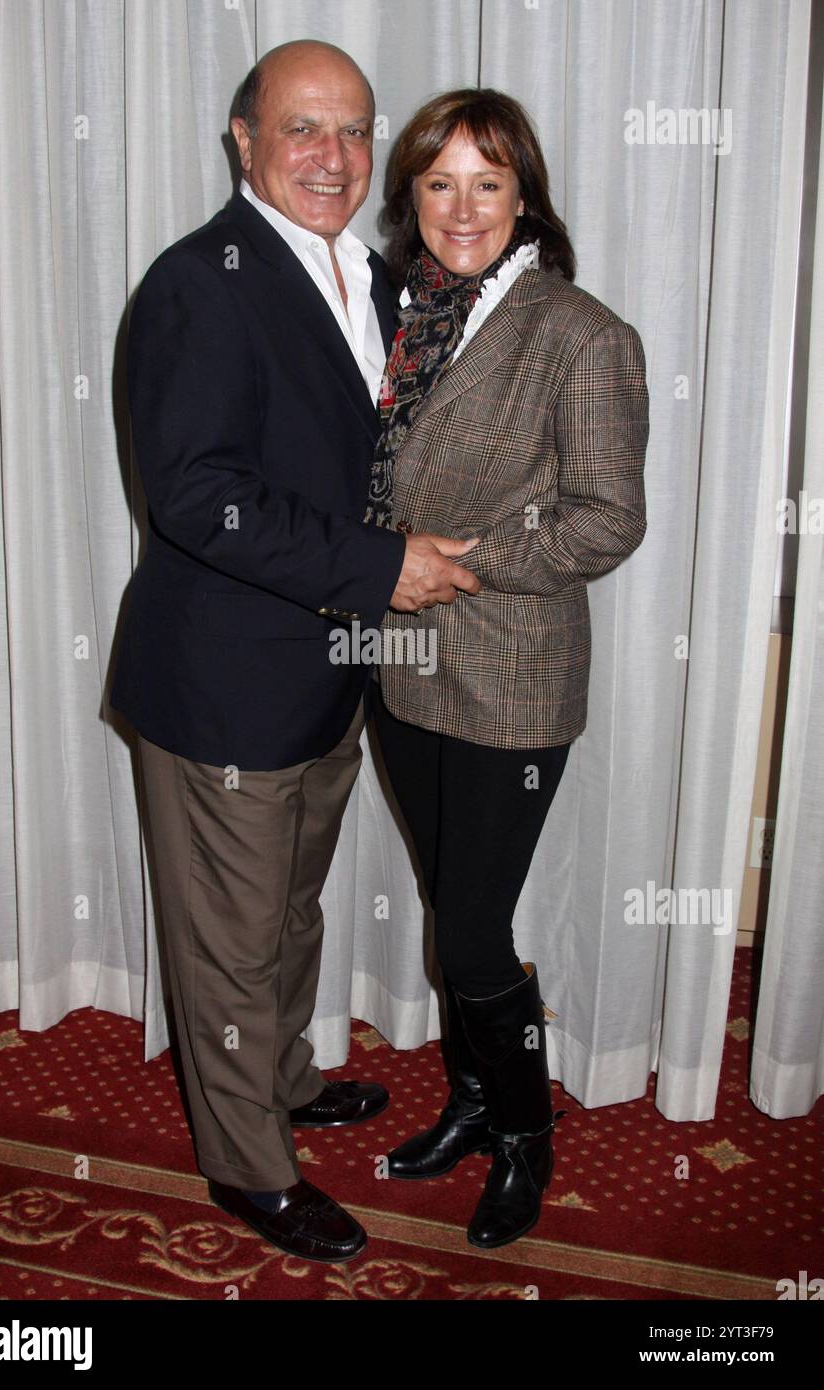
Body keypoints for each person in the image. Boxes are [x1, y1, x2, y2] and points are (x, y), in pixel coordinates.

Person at [109, 41, 480, 1265]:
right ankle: (249, 1168)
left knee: (288, 910)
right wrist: (380, 569)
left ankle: (282, 1077)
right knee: (229, 939)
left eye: (355, 131)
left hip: (328, 674)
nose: (333, 156)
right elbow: (198, 496)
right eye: (302, 128)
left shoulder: (371, 275)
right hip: (223, 683)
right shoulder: (197, 283)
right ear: (243, 139)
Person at [366, 88, 649, 1249]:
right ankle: (475, 1101)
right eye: (439, 182)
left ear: (524, 196)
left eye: (487, 182)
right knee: (451, 911)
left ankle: (526, 1130)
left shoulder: (579, 333)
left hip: (511, 676)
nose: (462, 207)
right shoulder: (397, 315)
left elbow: (606, 519)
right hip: (398, 663)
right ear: (411, 198)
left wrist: (462, 562)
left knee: (477, 926)